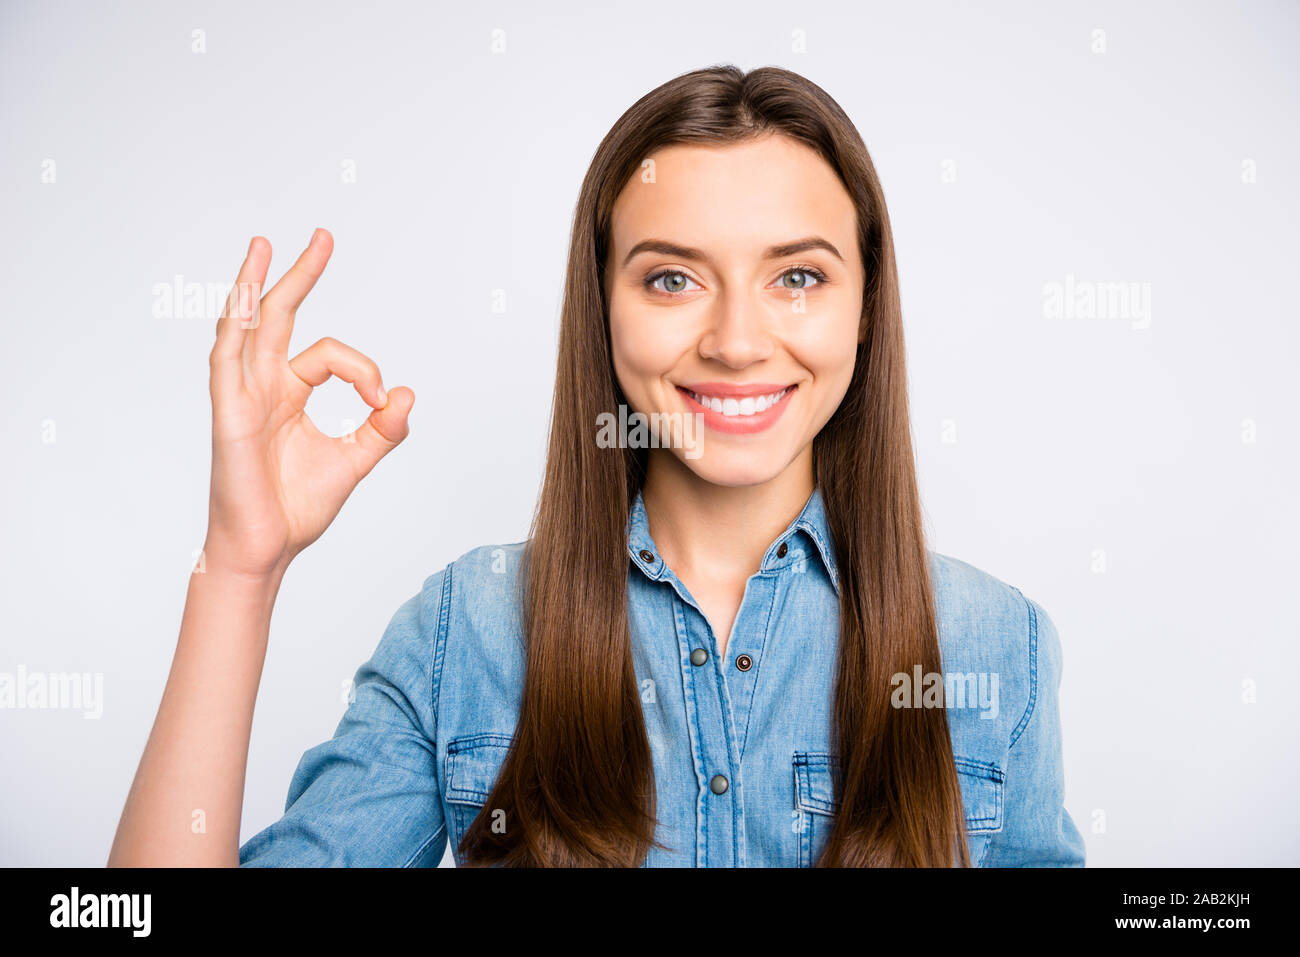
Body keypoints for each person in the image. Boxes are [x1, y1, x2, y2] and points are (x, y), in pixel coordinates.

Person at [108, 64, 1085, 868]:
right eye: (671, 278)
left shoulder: (994, 648)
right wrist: (240, 567)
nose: (738, 341)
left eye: (797, 276)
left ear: (865, 307)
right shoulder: (466, 633)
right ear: (604, 309)